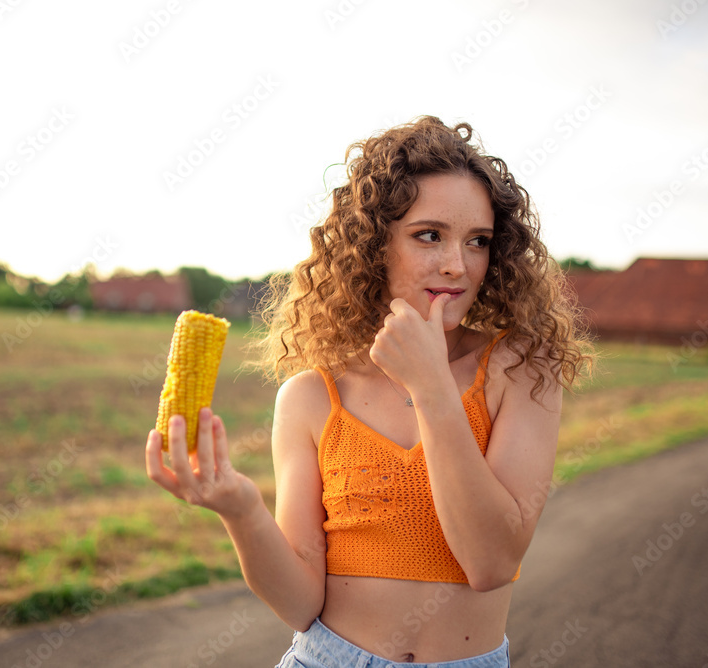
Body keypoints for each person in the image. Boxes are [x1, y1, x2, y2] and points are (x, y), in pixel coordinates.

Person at [146, 116, 591, 667]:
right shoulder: (311, 396)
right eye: (429, 235)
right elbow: (300, 603)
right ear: (373, 244)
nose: (457, 266)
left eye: (477, 241)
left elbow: (492, 562)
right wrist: (240, 510)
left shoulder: (520, 367)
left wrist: (430, 385)